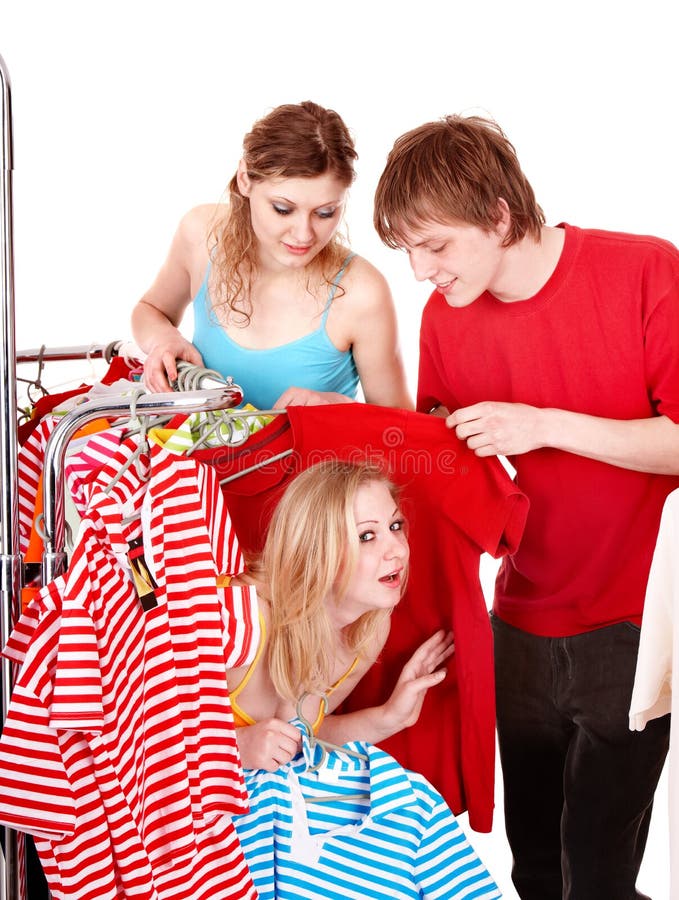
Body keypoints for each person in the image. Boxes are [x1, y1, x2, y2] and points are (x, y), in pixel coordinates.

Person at [372, 113, 679, 899]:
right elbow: (437, 473)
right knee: (535, 869)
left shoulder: (643, 270)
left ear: (498, 217)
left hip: (632, 622)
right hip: (516, 625)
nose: (420, 271)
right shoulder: (445, 318)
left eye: (434, 246)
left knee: (597, 875)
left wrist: (541, 426)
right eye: (407, 251)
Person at [131, 101, 412, 410]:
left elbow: (400, 423)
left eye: (325, 213)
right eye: (283, 209)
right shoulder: (202, 234)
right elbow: (151, 309)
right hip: (190, 443)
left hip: (320, 445)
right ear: (245, 179)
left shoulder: (362, 292)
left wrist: (338, 408)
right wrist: (164, 339)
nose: (304, 235)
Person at [226, 458, 454, 772]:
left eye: (395, 526)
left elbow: (304, 737)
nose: (399, 550)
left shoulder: (369, 631)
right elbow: (153, 742)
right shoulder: (241, 617)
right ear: (316, 551)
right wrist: (233, 748)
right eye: (366, 536)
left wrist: (389, 718)